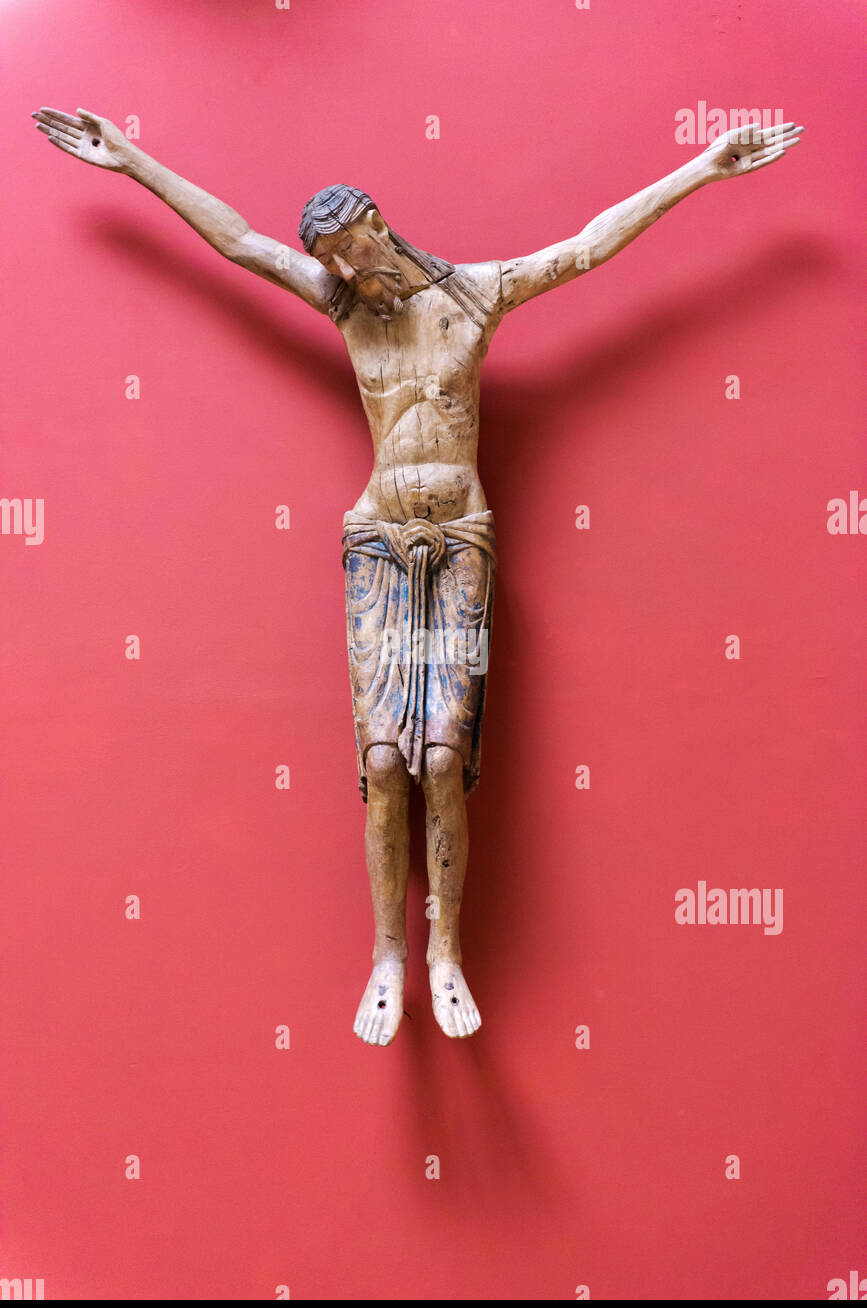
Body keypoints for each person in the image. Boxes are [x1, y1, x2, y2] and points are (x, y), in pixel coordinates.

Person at [31, 105, 803, 1044]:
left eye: (353, 251)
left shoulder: (476, 296)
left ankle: (445, 951)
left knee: (442, 758)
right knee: (384, 761)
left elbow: (589, 246)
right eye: (334, 263)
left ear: (379, 226)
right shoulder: (342, 306)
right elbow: (238, 242)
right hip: (376, 538)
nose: (347, 273)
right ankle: (385, 956)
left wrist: (702, 168)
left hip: (460, 539)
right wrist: (131, 161)